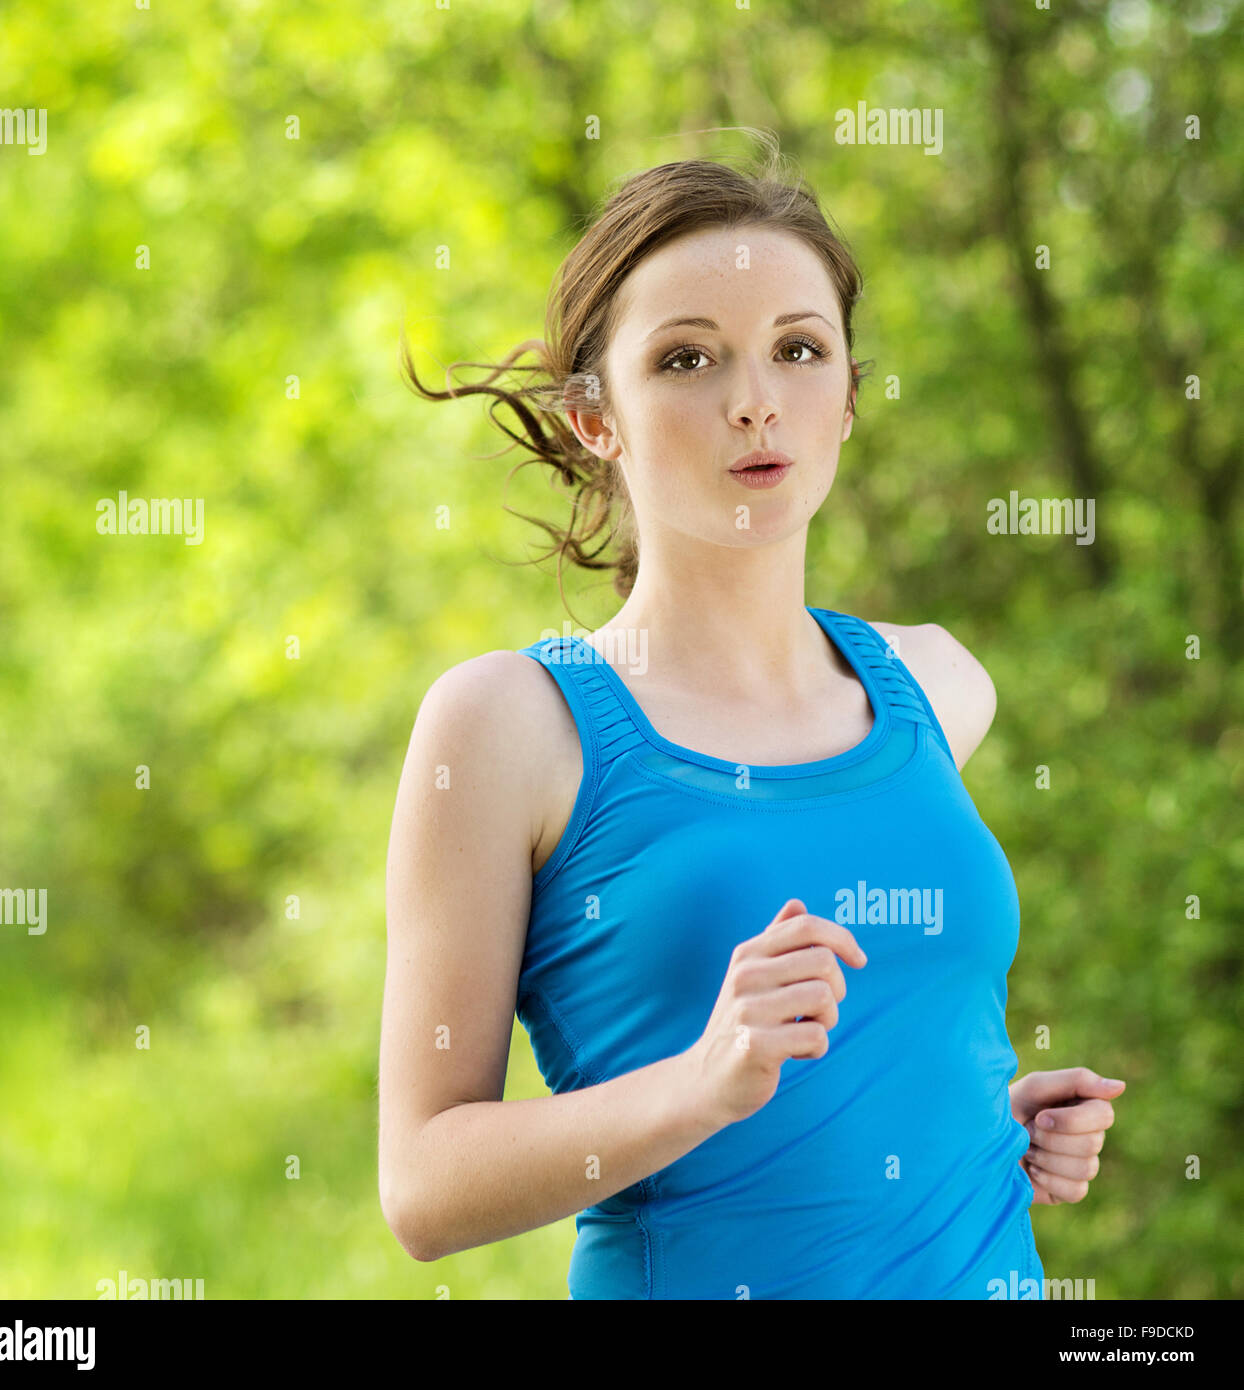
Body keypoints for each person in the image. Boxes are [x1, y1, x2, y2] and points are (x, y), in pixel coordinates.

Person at [380, 139, 1125, 1299]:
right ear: (595, 418)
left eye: (797, 349)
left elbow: (873, 1065)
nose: (753, 402)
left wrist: (978, 1123)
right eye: (686, 358)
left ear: (847, 396)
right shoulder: (509, 724)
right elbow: (424, 1186)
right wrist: (702, 1081)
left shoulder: (935, 688)